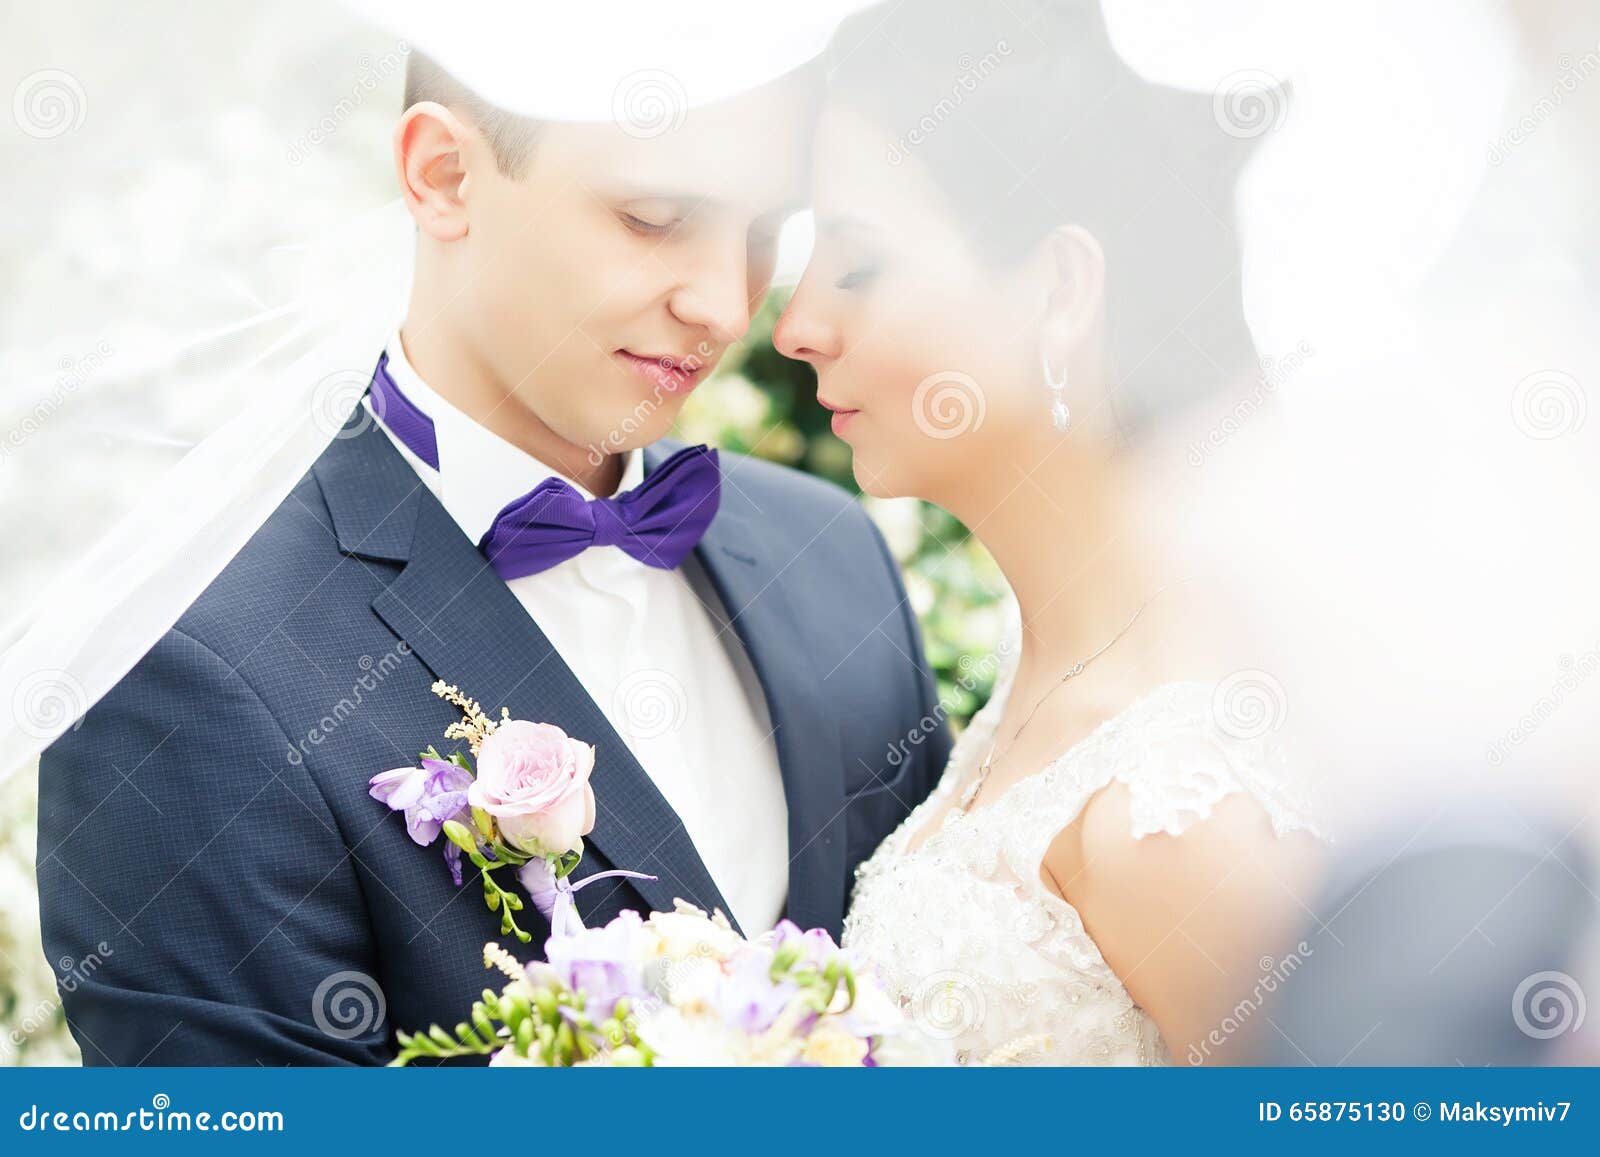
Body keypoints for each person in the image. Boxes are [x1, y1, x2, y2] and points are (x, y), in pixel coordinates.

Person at [36, 50, 949, 1065]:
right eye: (654, 216)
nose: (726, 306)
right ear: (443, 175)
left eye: (767, 232)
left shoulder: (830, 552)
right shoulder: (186, 666)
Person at [776, 0, 1322, 1064]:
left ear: (1060, 288)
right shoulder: (1047, 675)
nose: (795, 324)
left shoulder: (1175, 805)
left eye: (856, 263)